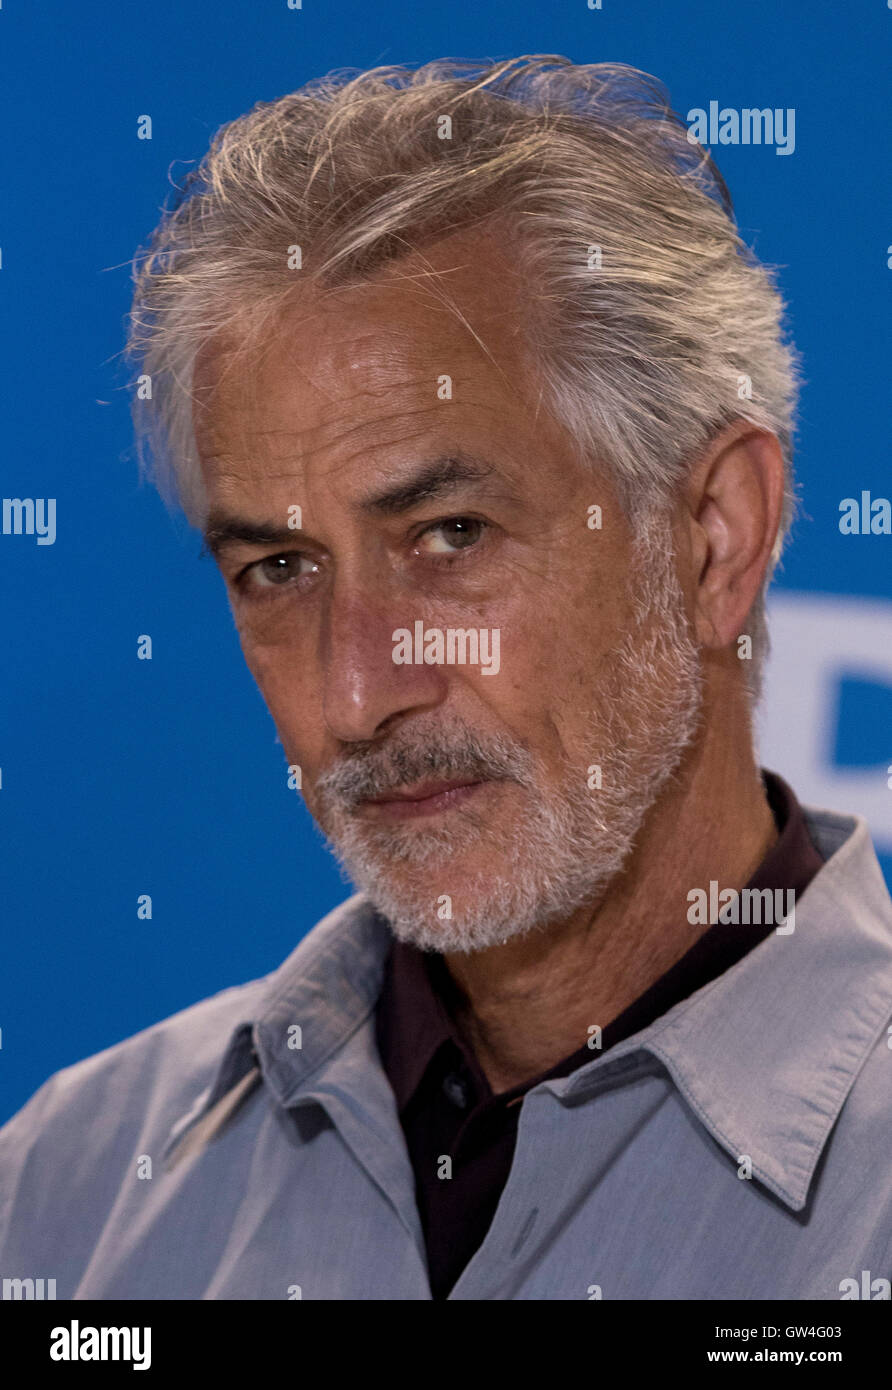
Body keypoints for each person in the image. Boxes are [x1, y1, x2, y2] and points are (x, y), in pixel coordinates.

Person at [2, 56, 891, 1301]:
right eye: (278, 567)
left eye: (451, 535)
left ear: (711, 537)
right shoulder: (71, 1194)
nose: (355, 696)